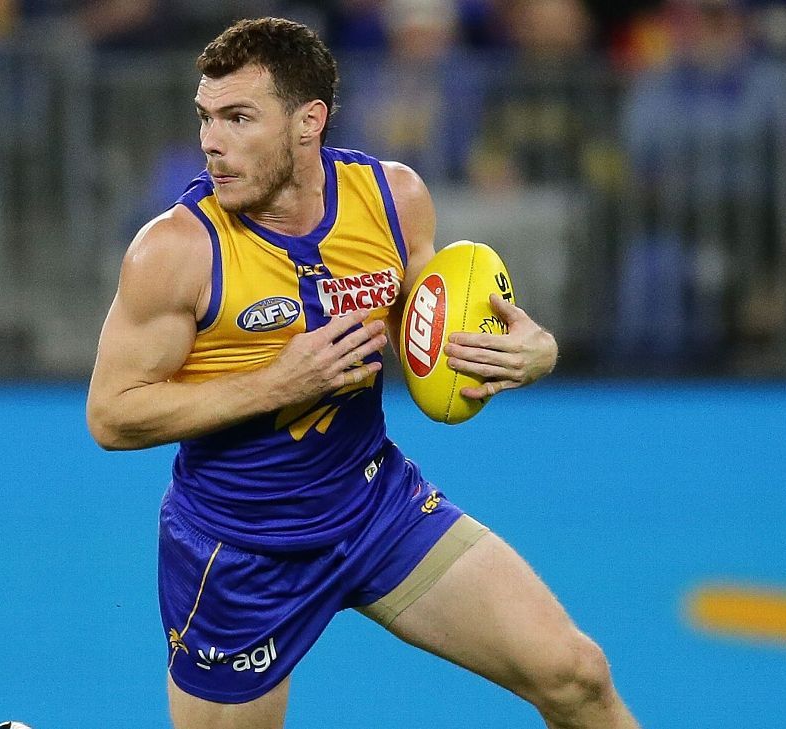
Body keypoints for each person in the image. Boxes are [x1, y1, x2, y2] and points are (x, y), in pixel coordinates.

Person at [86, 17, 640, 729]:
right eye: (205, 118)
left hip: (375, 506)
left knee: (577, 676)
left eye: (238, 118)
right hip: (240, 550)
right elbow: (112, 414)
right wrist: (276, 384)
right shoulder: (174, 251)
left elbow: (430, 339)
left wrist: (532, 351)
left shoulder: (392, 199)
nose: (210, 143)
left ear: (308, 121)